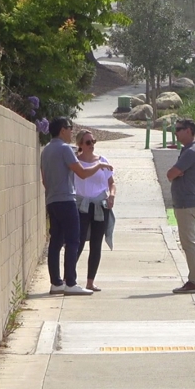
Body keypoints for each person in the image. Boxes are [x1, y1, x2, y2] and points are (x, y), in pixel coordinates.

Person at [41, 117, 112, 296]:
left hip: (52, 199)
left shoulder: (46, 150)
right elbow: (82, 172)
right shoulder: (65, 149)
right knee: (74, 240)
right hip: (66, 199)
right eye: (70, 128)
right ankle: (70, 283)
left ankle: (56, 282)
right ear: (62, 130)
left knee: (55, 241)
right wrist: (100, 164)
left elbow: (44, 179)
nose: (72, 132)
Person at [166, 118, 195, 294]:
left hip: (187, 204)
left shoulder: (192, 152)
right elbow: (175, 174)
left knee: (189, 243)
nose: (176, 133)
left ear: (189, 130)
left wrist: (176, 173)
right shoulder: (188, 151)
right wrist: (176, 174)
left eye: (179, 129)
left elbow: (170, 174)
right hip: (187, 203)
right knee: (192, 242)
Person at [74, 130, 116, 292]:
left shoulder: (103, 160)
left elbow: (111, 183)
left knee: (96, 244)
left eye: (93, 141)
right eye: (87, 142)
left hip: (100, 205)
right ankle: (68, 277)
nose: (91, 145)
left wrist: (111, 196)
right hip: (82, 206)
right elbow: (83, 176)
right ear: (80, 145)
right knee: (77, 242)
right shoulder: (76, 162)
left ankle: (90, 281)